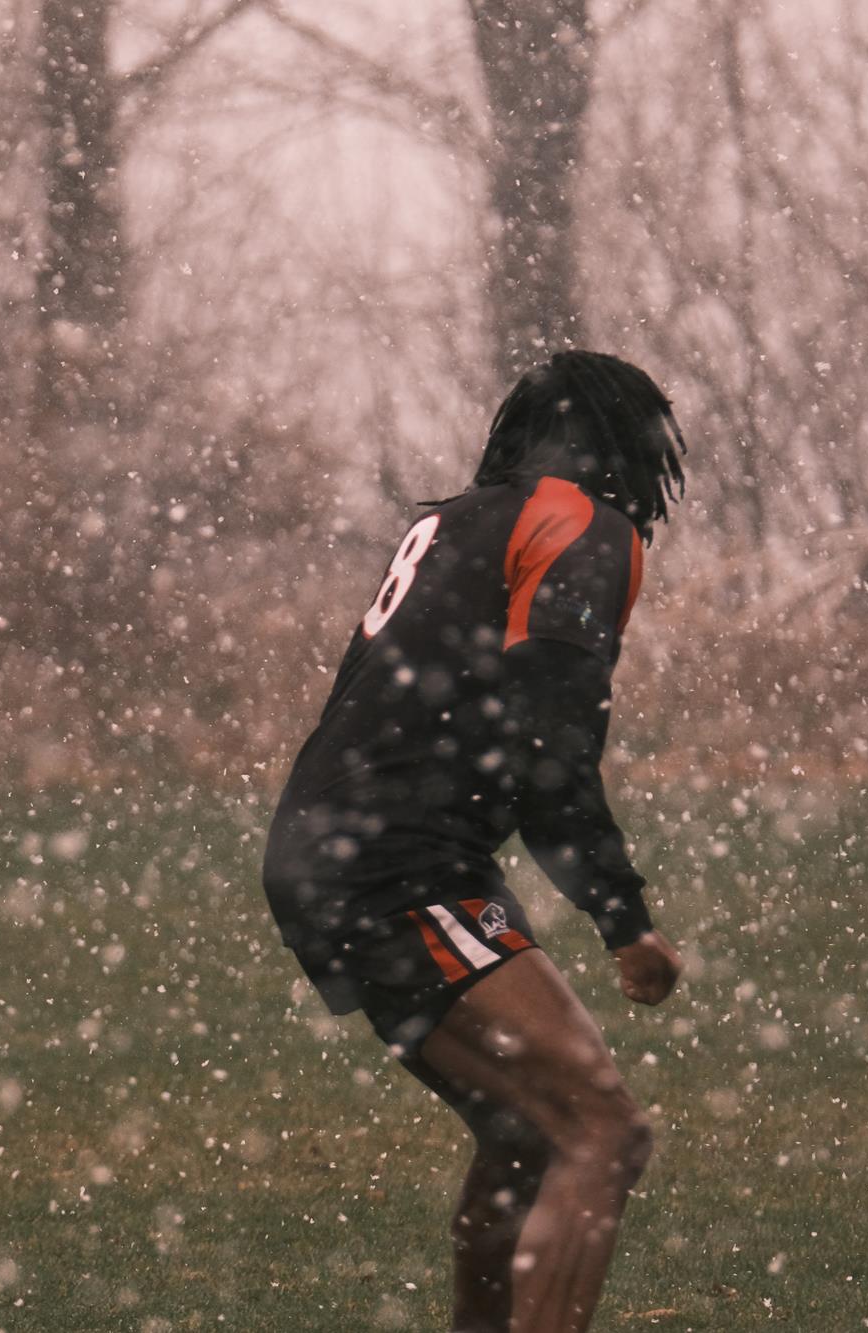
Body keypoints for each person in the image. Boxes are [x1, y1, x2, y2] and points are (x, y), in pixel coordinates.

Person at [261, 351, 689, 1333]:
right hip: (396, 864)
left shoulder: (451, 518)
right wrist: (624, 921)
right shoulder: (583, 525)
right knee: (601, 1129)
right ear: (631, 444)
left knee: (524, 1132)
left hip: (327, 844)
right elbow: (549, 754)